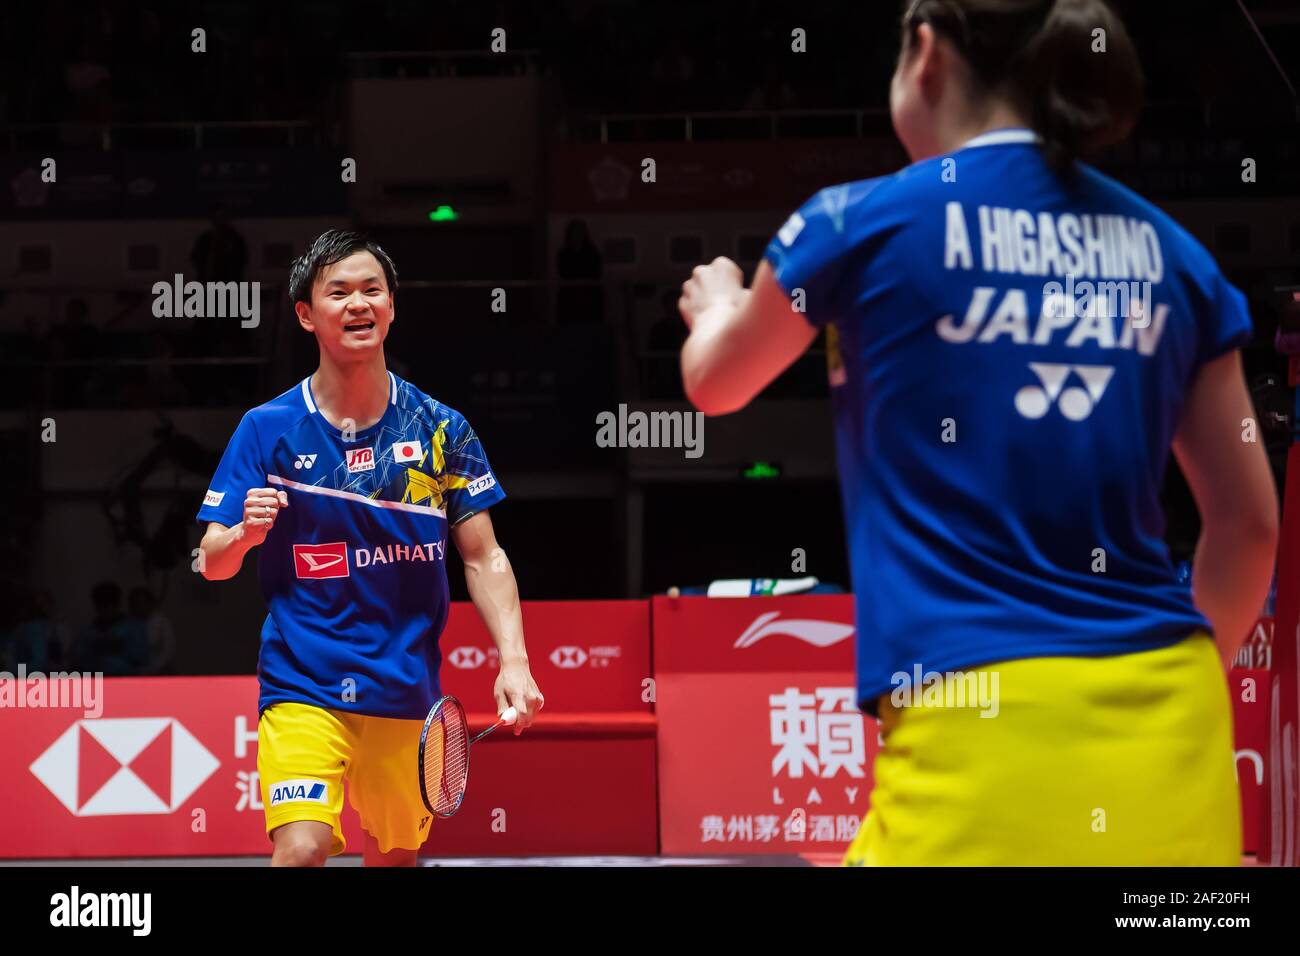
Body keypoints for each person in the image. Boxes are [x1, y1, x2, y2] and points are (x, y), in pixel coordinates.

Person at [677, 0, 1278, 865]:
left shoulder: (855, 223)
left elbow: (716, 383)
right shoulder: (1175, 255)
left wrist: (720, 306)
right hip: (1175, 727)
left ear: (925, 52)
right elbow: (1251, 525)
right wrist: (1161, 685)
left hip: (981, 733)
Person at [197, 229, 544, 867]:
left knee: (394, 859)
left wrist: (514, 661)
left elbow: (483, 556)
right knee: (303, 848)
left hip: (405, 688)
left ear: (391, 306)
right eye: (339, 293)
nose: (358, 303)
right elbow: (211, 563)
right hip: (302, 681)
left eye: (372, 290)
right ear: (306, 314)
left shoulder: (443, 428)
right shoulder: (267, 429)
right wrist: (244, 535)